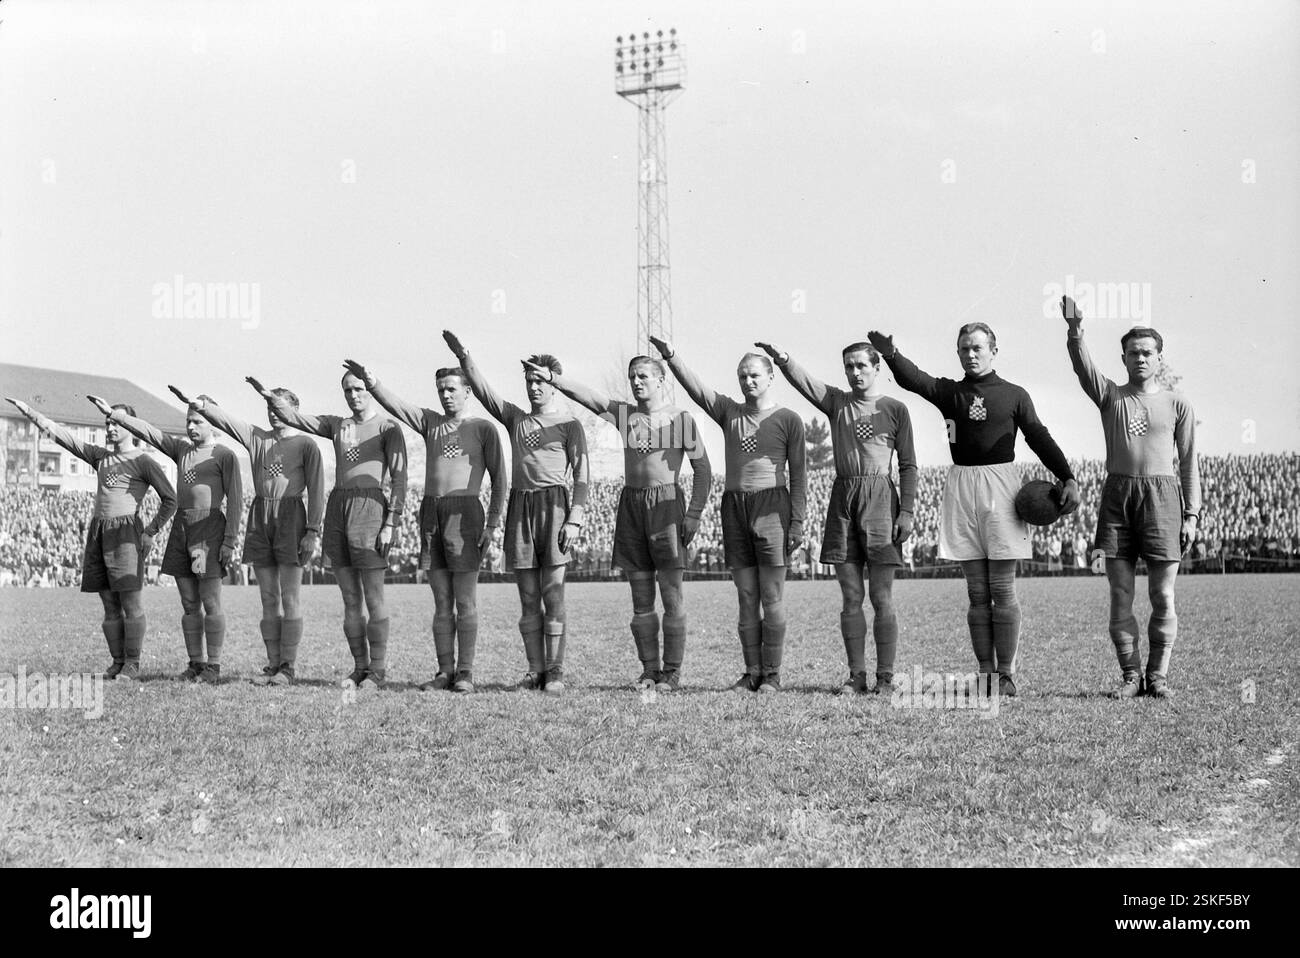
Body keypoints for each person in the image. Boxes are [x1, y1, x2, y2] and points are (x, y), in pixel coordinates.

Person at [867, 323, 1080, 697]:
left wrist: (1067, 477)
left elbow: (1039, 436)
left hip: (1001, 486)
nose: (970, 353)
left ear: (994, 351)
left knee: (1002, 586)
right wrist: (891, 354)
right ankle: (985, 673)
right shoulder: (950, 392)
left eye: (978, 347)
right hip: (962, 486)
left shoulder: (1014, 395)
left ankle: (1006, 673)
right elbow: (914, 380)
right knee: (977, 592)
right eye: (964, 348)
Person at [528, 354, 713, 691]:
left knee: (671, 594)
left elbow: (703, 469)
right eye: (632, 377)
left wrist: (695, 513)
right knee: (640, 596)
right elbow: (589, 396)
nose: (636, 382)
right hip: (632, 506)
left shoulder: (681, 419)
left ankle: (672, 671)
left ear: (661, 380)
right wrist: (555, 380)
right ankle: (649, 670)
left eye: (643, 376)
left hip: (667, 507)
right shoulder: (625, 414)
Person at [756, 340, 917, 694]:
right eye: (849, 367)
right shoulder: (837, 403)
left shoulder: (895, 409)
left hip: (880, 499)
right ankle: (856, 675)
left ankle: (885, 677)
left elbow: (907, 464)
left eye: (861, 365)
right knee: (849, 594)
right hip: (844, 497)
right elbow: (808, 383)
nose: (855, 372)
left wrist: (906, 510)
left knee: (882, 596)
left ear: (876, 368)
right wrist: (783, 359)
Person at [650, 336, 807, 693]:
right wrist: (671, 357)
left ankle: (772, 674)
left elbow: (799, 474)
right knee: (746, 595)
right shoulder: (729, 412)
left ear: (770, 377)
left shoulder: (788, 419)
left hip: (773, 507)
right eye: (741, 376)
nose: (747, 381)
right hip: (735, 507)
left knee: (771, 595)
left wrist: (796, 520)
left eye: (753, 375)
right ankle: (751, 671)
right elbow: (699, 390)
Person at [1063, 295, 1200, 699]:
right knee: (1120, 592)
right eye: (1132, 353)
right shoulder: (1111, 397)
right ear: (1122, 359)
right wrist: (1075, 331)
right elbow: (1082, 367)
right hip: (1118, 496)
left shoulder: (1178, 405)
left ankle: (1157, 677)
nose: (1140, 359)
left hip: (1163, 498)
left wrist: (1192, 514)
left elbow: (1190, 462)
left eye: (1147, 353)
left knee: (1163, 593)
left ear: (1159, 358)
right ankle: (1129, 676)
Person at [342, 359, 506, 694]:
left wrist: (492, 523)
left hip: (466, 513)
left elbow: (500, 479)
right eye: (440, 390)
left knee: (466, 599)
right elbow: (397, 405)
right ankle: (444, 671)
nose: (446, 395)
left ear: (467, 392)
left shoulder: (483, 428)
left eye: (452, 389)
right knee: (441, 600)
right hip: (432, 512)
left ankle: (466, 672)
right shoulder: (430, 422)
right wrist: (372, 381)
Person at [442, 331, 589, 695]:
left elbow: (584, 476)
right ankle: (534, 670)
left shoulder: (570, 425)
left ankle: (555, 670)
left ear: (553, 385)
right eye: (529, 381)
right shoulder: (515, 419)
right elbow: (484, 390)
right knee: (527, 597)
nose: (534, 388)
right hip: (521, 508)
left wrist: (575, 517)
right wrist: (464, 356)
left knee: (553, 594)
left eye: (540, 381)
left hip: (554, 505)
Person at [246, 371, 407, 690]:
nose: (354, 395)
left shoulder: (388, 427)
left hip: (371, 505)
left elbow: (399, 478)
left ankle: (377, 669)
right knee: (349, 598)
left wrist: (391, 521)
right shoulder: (337, 425)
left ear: (370, 390)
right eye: (348, 389)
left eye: (359, 389)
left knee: (373, 596)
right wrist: (270, 398)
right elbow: (297, 418)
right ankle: (359, 667)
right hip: (338, 507)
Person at [5, 397, 176, 679]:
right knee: (109, 604)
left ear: (131, 428)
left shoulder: (144, 462)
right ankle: (117, 661)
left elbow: (170, 499)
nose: (109, 428)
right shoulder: (101, 457)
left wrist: (150, 532)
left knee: (130, 603)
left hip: (126, 535)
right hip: (99, 532)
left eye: (116, 423)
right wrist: (31, 413)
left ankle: (133, 663)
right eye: (107, 423)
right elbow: (66, 439)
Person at [174, 385, 324, 685]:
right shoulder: (257, 437)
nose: (274, 413)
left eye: (279, 407)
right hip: (260, 516)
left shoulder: (306, 444)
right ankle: (272, 664)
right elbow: (227, 420)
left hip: (292, 515)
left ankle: (288, 666)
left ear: (294, 410)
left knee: (289, 595)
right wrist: (200, 404)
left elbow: (317, 489)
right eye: (269, 407)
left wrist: (312, 530)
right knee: (268, 596)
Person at [88, 395, 242, 682]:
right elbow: (150, 432)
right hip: (181, 527)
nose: (191, 427)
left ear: (214, 424)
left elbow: (235, 501)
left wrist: (229, 540)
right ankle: (195, 663)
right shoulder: (181, 450)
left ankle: (214, 665)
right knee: (188, 601)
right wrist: (114, 414)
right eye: (188, 422)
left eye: (198, 421)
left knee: (210, 600)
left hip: (208, 528)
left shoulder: (224, 455)